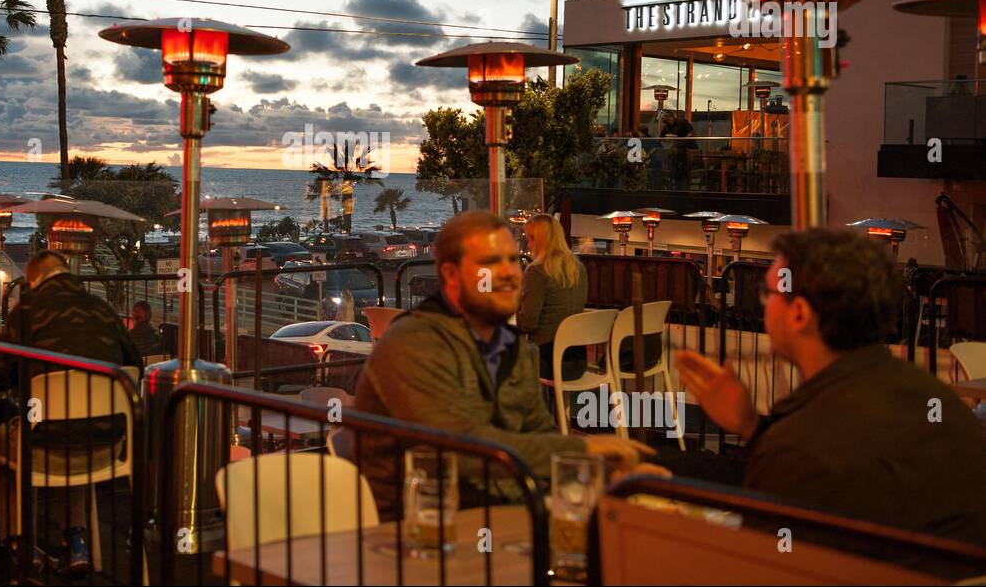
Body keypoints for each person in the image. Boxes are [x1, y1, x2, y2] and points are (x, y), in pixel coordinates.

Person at [676, 228, 986, 549]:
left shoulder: (802, 446)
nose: (765, 305)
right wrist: (751, 427)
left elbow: (770, 561)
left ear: (798, 314)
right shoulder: (939, 402)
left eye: (767, 295)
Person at [354, 210, 655, 514]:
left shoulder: (513, 348)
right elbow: (462, 449)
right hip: (421, 525)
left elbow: (539, 434)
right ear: (451, 275)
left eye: (512, 260)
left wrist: (610, 475)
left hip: (504, 508)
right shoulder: (414, 343)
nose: (510, 273)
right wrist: (585, 449)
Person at [0, 250, 142, 574]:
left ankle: (16, 541)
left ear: (33, 280)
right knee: (75, 428)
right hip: (109, 446)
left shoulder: (25, 312)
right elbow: (134, 366)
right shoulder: (103, 309)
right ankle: (76, 540)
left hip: (44, 448)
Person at [516, 214, 588, 382]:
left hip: (548, 361)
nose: (528, 245)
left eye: (529, 239)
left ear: (539, 240)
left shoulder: (538, 271)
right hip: (578, 361)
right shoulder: (577, 267)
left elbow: (528, 323)